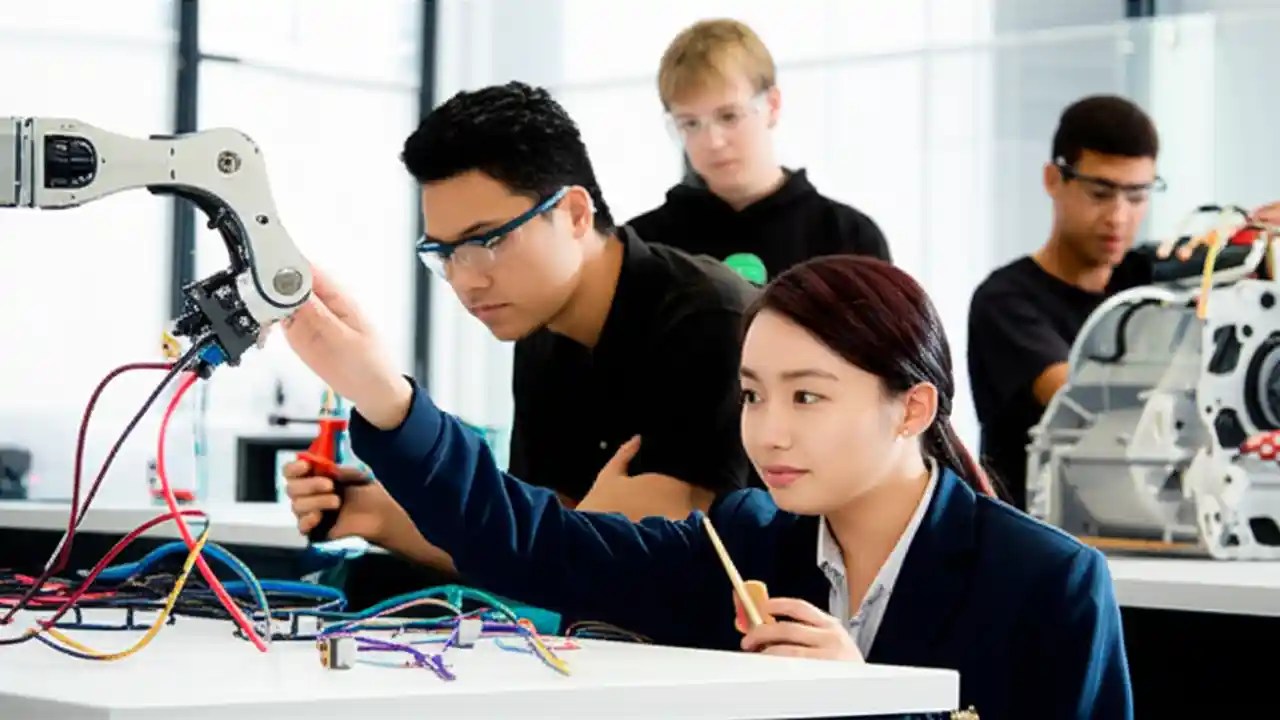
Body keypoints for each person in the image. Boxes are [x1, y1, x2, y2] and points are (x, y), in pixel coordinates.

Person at [280, 255, 1133, 719]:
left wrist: (876, 702)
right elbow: (531, 541)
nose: (768, 431)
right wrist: (384, 394)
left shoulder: (1046, 582)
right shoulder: (741, 542)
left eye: (808, 395)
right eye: (754, 394)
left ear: (911, 407)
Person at [402, 81, 757, 525]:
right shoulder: (539, 327)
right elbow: (543, 527)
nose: (467, 281)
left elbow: (663, 547)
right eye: (446, 254)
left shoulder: (709, 320)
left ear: (574, 213)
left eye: (488, 241)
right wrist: (378, 516)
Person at [968, 94, 1279, 511]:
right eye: (1100, 193)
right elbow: (1088, 404)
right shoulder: (1006, 301)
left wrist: (1257, 253)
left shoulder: (1151, 279)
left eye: (1136, 196)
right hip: (1039, 535)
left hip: (1162, 522)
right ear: (1053, 179)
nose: (1118, 216)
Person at [626, 18, 890, 282]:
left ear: (772, 106)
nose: (713, 141)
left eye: (729, 116)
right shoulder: (643, 248)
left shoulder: (847, 238)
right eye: (690, 123)